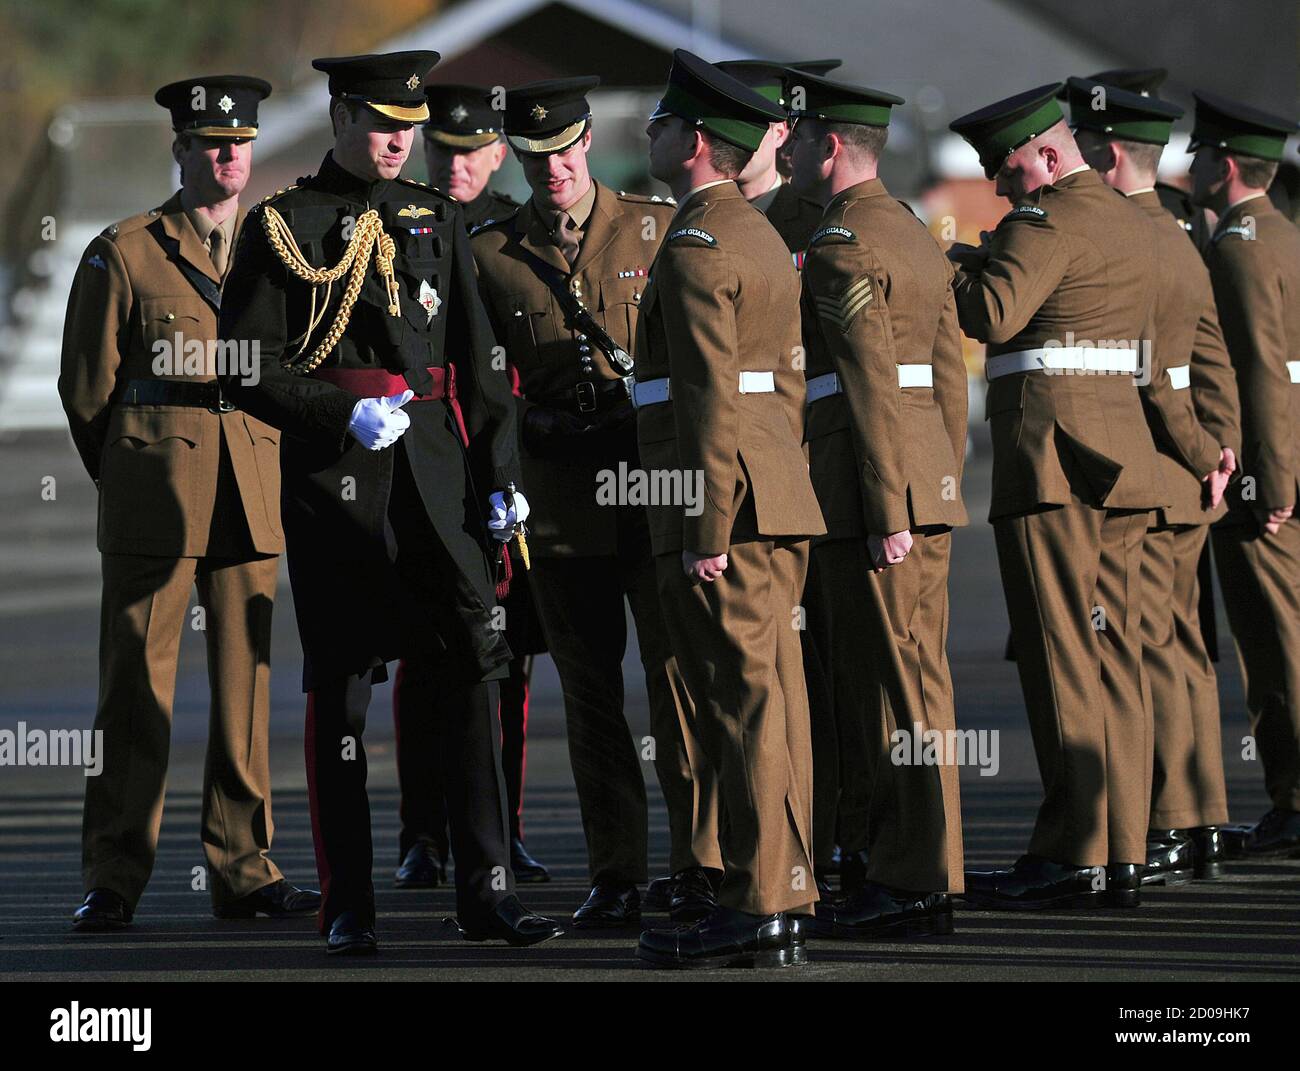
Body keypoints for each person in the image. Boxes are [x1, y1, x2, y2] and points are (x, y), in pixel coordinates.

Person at [218, 50, 560, 955]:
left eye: (408, 130)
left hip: (440, 480)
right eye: (380, 125)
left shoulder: (433, 219)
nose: (398, 143)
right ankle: (348, 902)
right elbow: (245, 361)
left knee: (476, 668)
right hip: (343, 482)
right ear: (338, 118)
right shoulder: (284, 225)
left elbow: (482, 364)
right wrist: (339, 411)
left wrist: (504, 482)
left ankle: (486, 888)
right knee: (343, 693)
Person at [59, 75, 319, 931]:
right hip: (156, 495)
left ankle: (244, 865)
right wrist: (135, 471)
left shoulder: (281, 248)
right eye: (210, 141)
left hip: (250, 487)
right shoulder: (124, 248)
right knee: (133, 691)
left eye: (238, 141)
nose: (227, 154)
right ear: (180, 149)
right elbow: (87, 390)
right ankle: (114, 872)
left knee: (247, 691)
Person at [471, 76, 721, 928]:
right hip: (560, 499)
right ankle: (616, 873)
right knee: (589, 697)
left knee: (678, 682)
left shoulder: (657, 229)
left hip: (651, 489)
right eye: (534, 157)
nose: (553, 170)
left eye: (566, 151)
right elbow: (481, 383)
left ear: (586, 143)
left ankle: (701, 863)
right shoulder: (491, 253)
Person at [947, 84, 1163, 910]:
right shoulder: (1127, 220)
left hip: (1055, 466)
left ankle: (1074, 849)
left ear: (1045, 154)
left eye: (1006, 172)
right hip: (1120, 458)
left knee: (1061, 656)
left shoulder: (1045, 222)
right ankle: (1124, 848)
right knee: (1117, 660)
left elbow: (997, 315)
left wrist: (951, 266)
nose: (1002, 190)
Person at [634, 50, 826, 969]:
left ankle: (759, 895)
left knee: (745, 705)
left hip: (726, 505)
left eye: (663, 124)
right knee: (773, 700)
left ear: (699, 141)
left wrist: (704, 525)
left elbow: (710, 392)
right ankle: (782, 887)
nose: (651, 135)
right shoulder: (751, 230)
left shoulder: (697, 241)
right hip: (773, 490)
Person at [787, 72, 968, 937]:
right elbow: (949, 378)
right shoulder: (914, 235)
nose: (781, 151)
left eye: (796, 139)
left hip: (871, 499)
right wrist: (938, 479)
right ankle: (930, 865)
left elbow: (864, 385)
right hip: (917, 484)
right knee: (922, 686)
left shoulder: (839, 244)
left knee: (886, 695)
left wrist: (890, 507)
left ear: (829, 148)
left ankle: (908, 875)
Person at [1067, 77, 1241, 884]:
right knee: (1183, 648)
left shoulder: (1124, 237)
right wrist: (1223, 451)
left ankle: (1167, 818)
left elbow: (1154, 375)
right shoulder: (1177, 234)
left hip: (1151, 468)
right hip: (1188, 470)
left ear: (1102, 153)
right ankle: (1199, 812)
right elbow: (1214, 358)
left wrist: (1205, 454)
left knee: (1146, 649)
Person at [391, 81, 548, 889]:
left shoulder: (522, 236)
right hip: (429, 462)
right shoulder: (398, 223)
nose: (457, 164)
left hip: (507, 463)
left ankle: (502, 827)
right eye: (443, 149)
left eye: (474, 149)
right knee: (427, 651)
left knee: (508, 656)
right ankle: (424, 832)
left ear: (499, 153)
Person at [1189, 90, 1300, 857]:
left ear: (1224, 165)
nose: (1190, 165)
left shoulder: (1237, 244)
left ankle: (1295, 799)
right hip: (1289, 457)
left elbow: (1259, 370)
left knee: (1276, 642)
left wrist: (1269, 484)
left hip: (1271, 475)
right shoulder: (1285, 234)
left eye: (1198, 153)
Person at [715, 59, 839, 257]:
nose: (736, 140)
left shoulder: (818, 224)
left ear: (780, 133)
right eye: (726, 129)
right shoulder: (701, 217)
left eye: (751, 128)